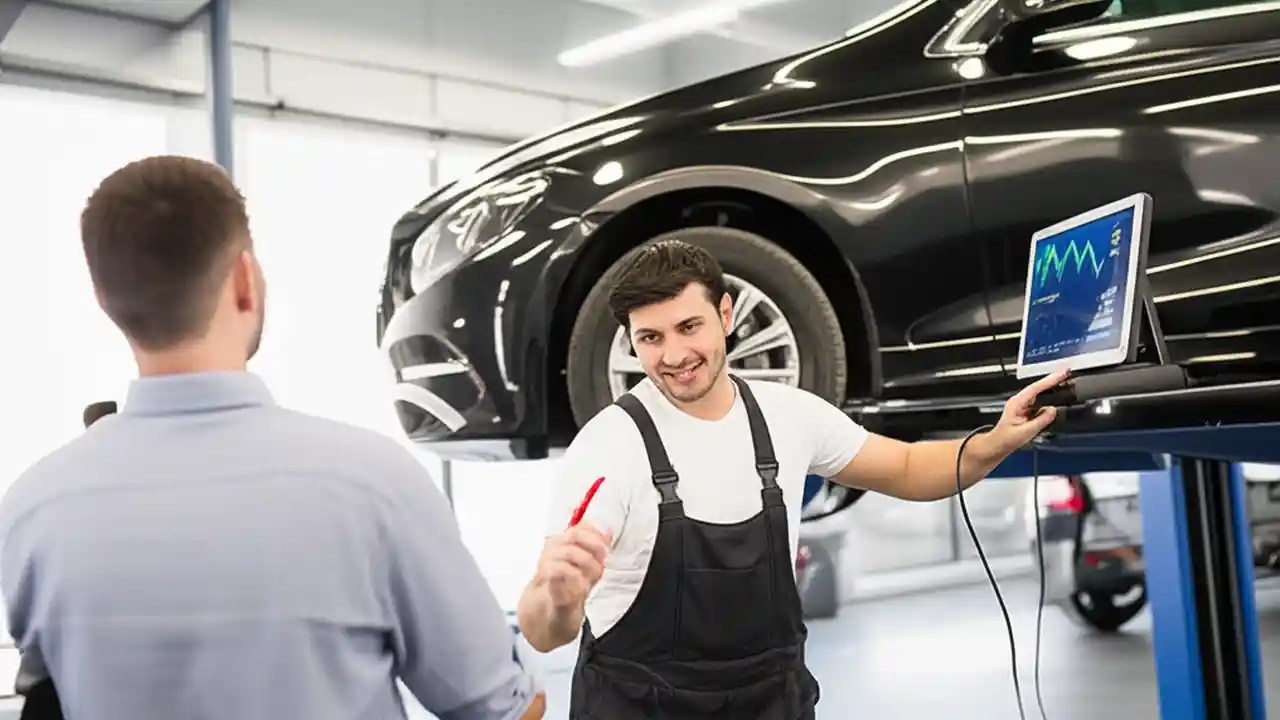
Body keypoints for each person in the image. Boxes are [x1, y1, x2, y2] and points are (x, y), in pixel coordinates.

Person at [0, 155, 544, 720]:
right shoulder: (374, 486)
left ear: (103, 296)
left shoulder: (32, 509)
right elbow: (500, 709)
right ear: (243, 279)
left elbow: (46, 697)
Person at [516, 239, 1066, 719]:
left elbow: (904, 468)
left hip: (771, 705)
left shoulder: (788, 416)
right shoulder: (608, 447)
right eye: (650, 338)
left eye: (689, 327)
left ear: (725, 315)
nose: (675, 354)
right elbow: (545, 632)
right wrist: (558, 597)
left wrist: (996, 440)